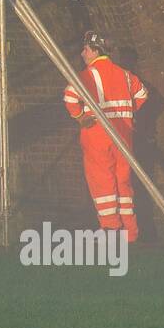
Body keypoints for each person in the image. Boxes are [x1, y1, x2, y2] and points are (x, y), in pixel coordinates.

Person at [62, 31, 148, 242]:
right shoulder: (125, 75)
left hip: (97, 136)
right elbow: (142, 95)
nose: (82, 54)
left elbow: (70, 96)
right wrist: (126, 115)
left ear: (94, 50)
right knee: (123, 183)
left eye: (85, 49)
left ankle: (110, 231)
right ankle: (130, 233)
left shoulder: (87, 75)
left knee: (103, 183)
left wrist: (80, 117)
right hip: (124, 136)